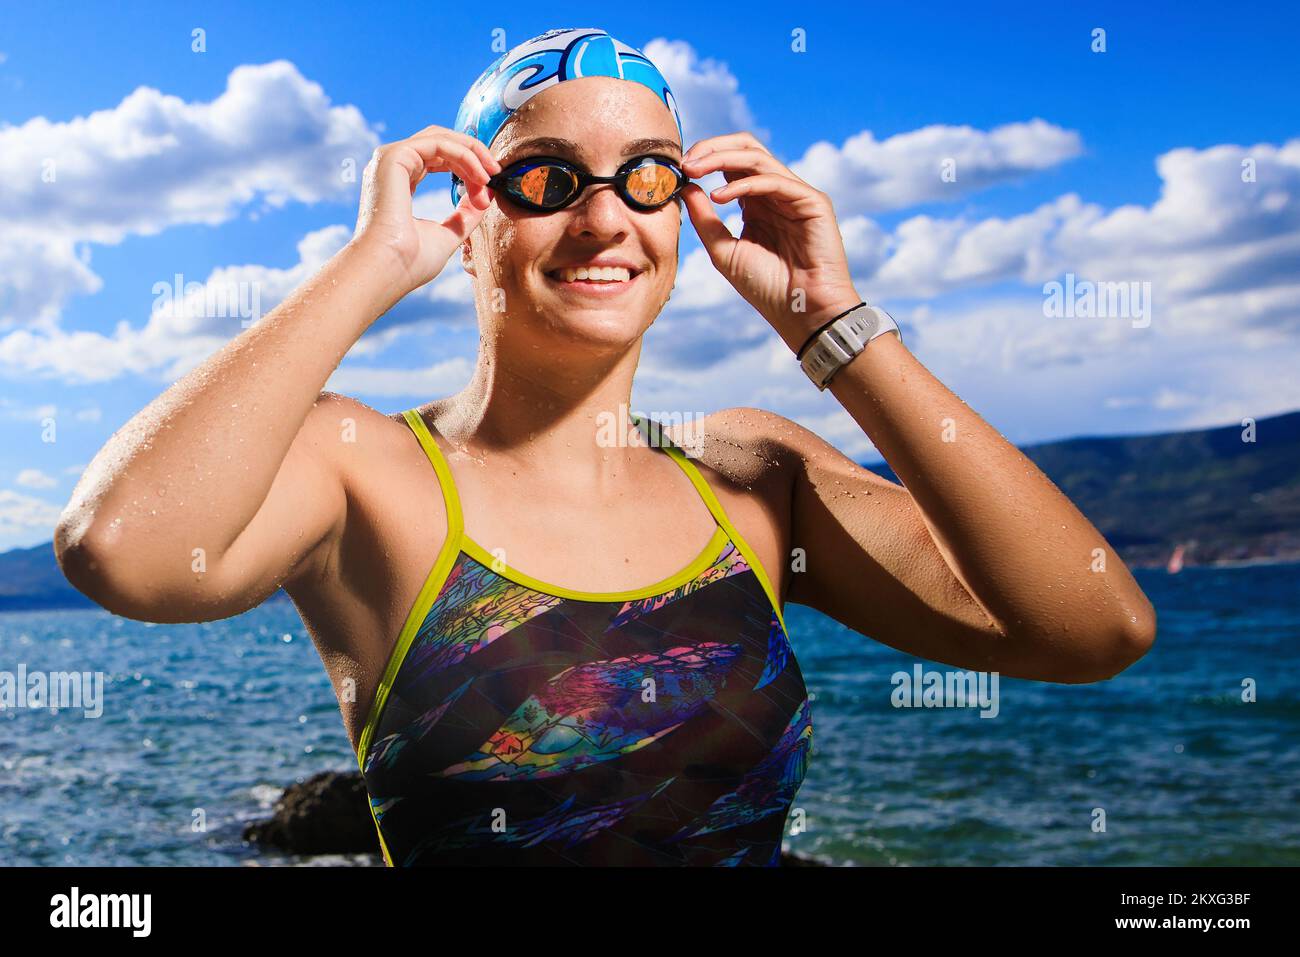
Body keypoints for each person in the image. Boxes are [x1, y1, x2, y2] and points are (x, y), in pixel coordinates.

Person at [54, 27, 1156, 866]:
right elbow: (123, 549)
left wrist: (832, 324)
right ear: (470, 215)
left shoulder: (751, 475)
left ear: (682, 211)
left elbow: (1092, 627)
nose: (602, 218)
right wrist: (371, 265)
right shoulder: (365, 469)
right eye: (543, 179)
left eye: (647, 176)